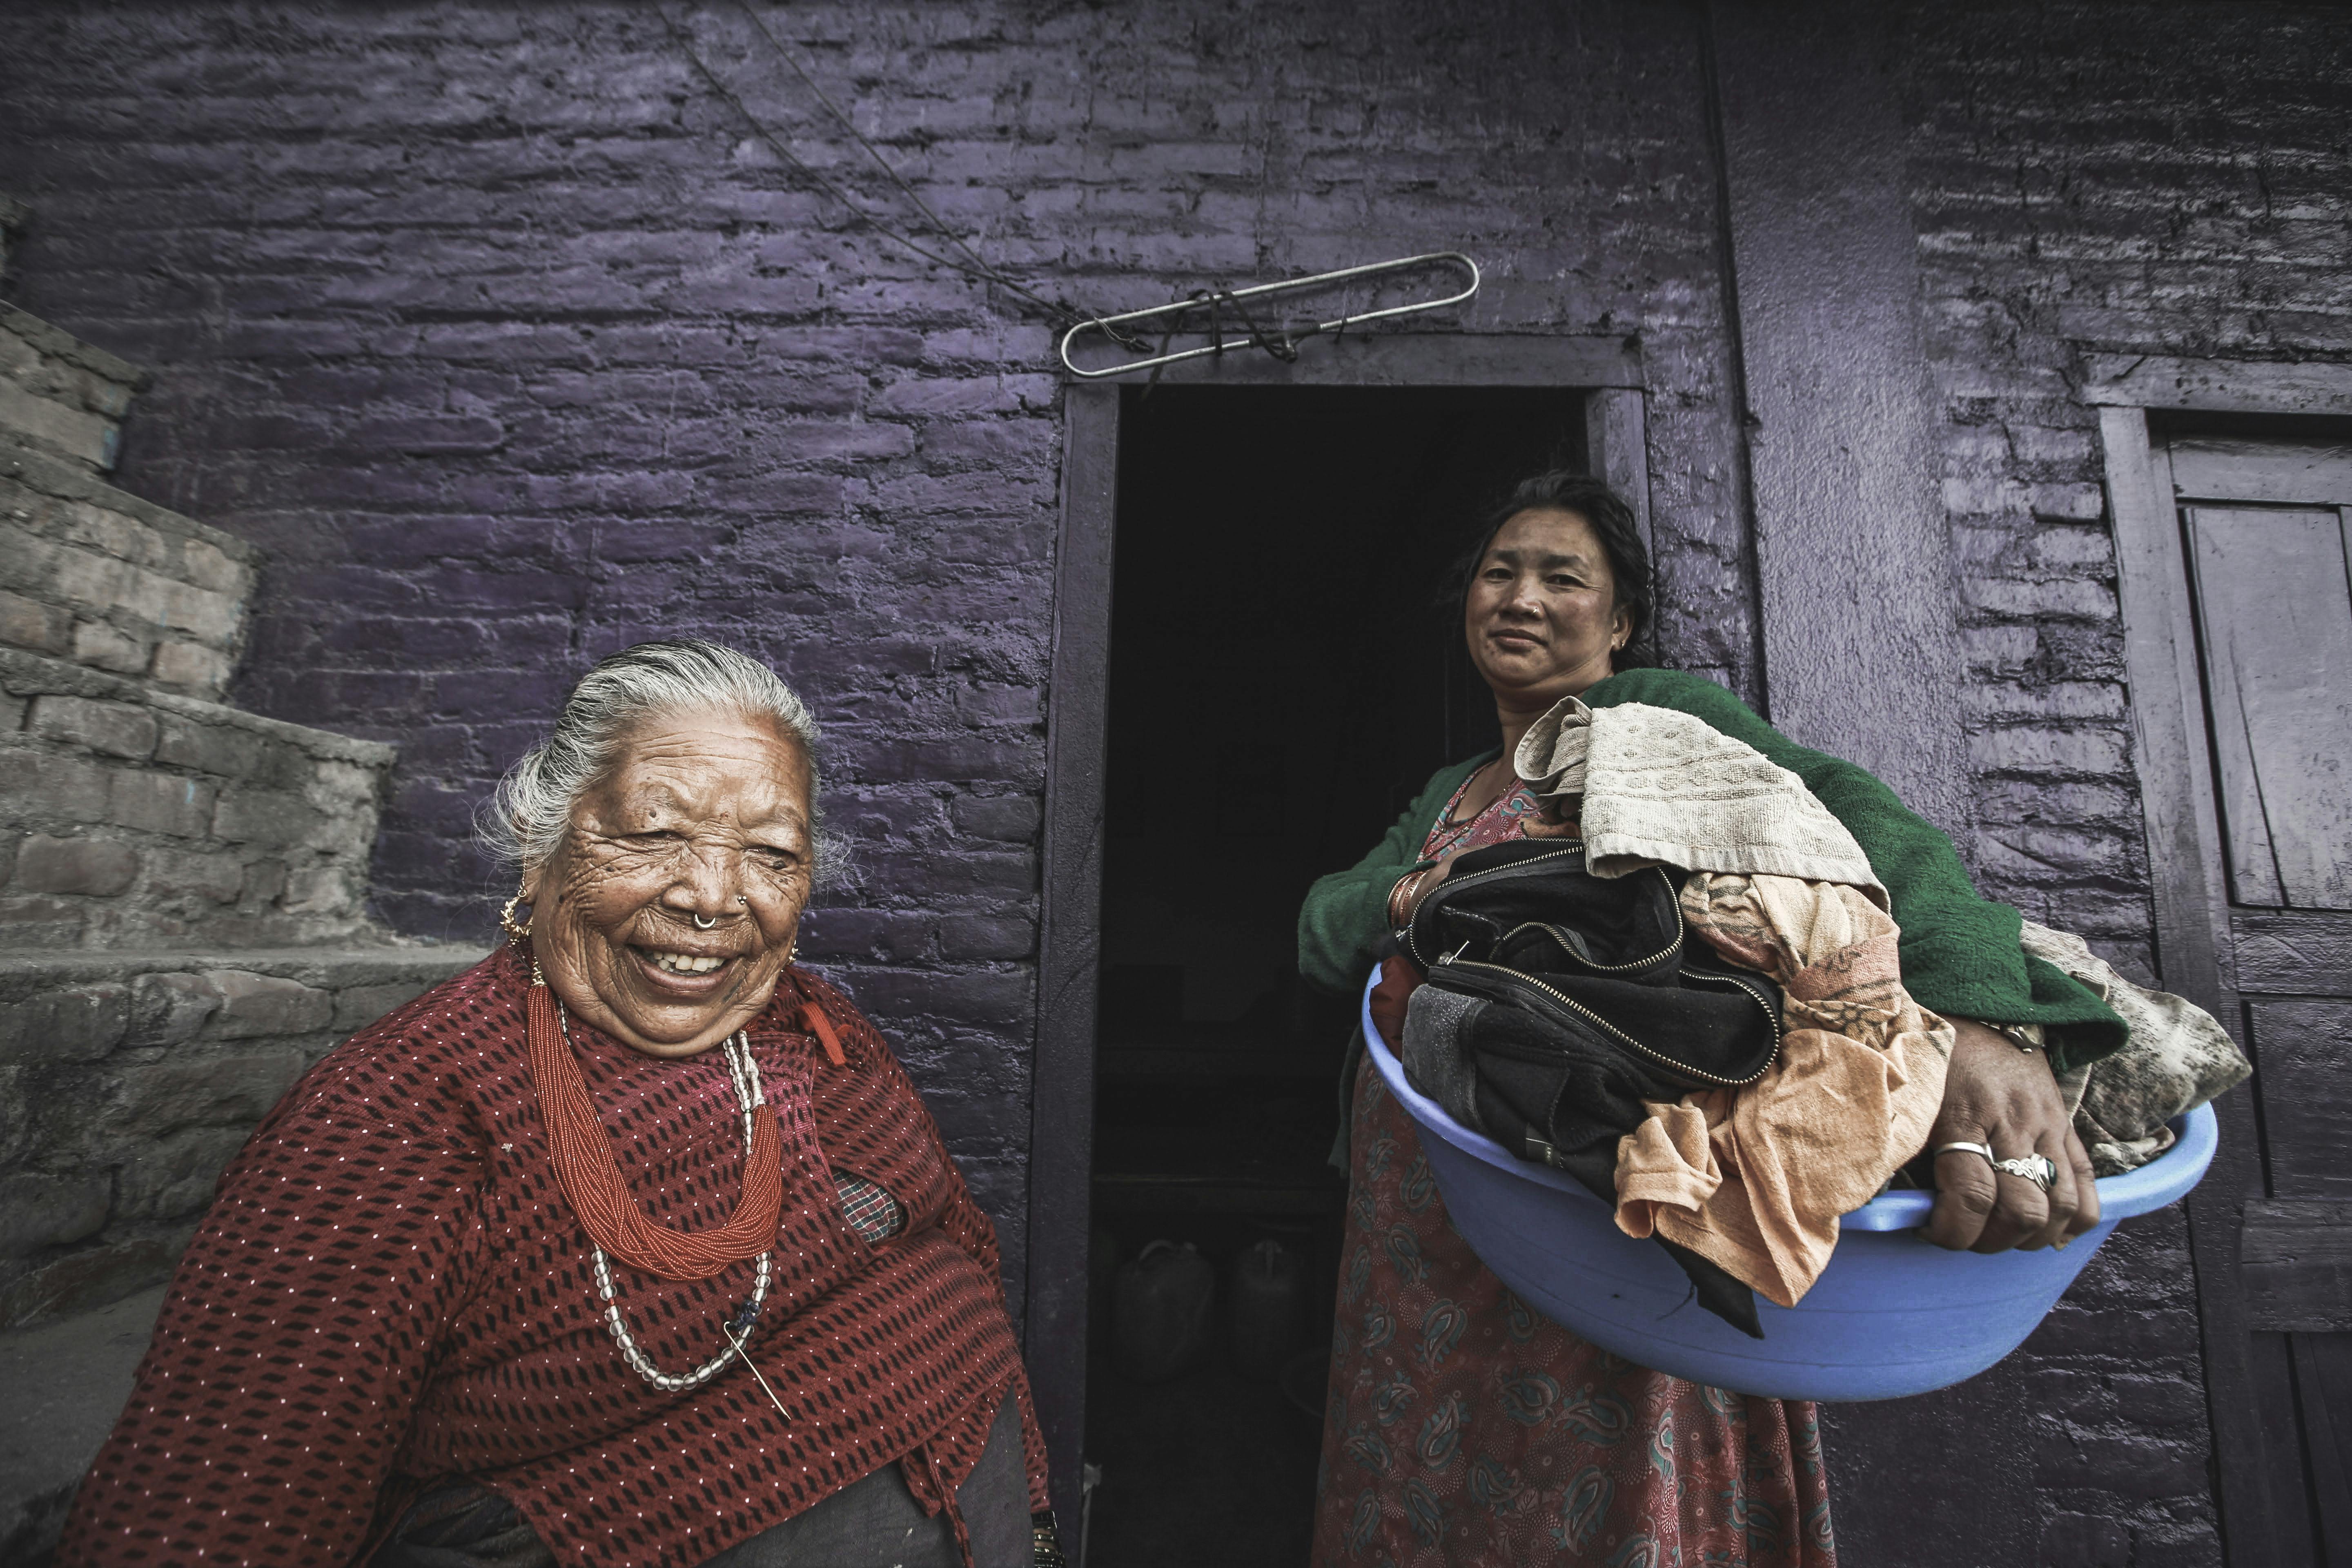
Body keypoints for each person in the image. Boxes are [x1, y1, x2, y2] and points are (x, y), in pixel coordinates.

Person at [62, 640, 1056, 1568]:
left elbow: (954, 1235)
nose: (713, 895)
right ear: (541, 851)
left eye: (770, 855)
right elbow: (207, 1515)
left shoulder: (815, 1023)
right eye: (656, 833)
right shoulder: (397, 1118)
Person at [1298, 474, 2127, 1566]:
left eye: (1563, 576)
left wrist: (1976, 1020)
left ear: (1619, 621)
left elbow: (1864, 831)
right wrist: (1425, 888)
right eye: (1501, 572)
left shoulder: (1660, 722)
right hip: (1434, 1188)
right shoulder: (1455, 788)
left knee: (1594, 1457)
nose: (1523, 597)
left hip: (1594, 1190)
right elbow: (1321, 931)